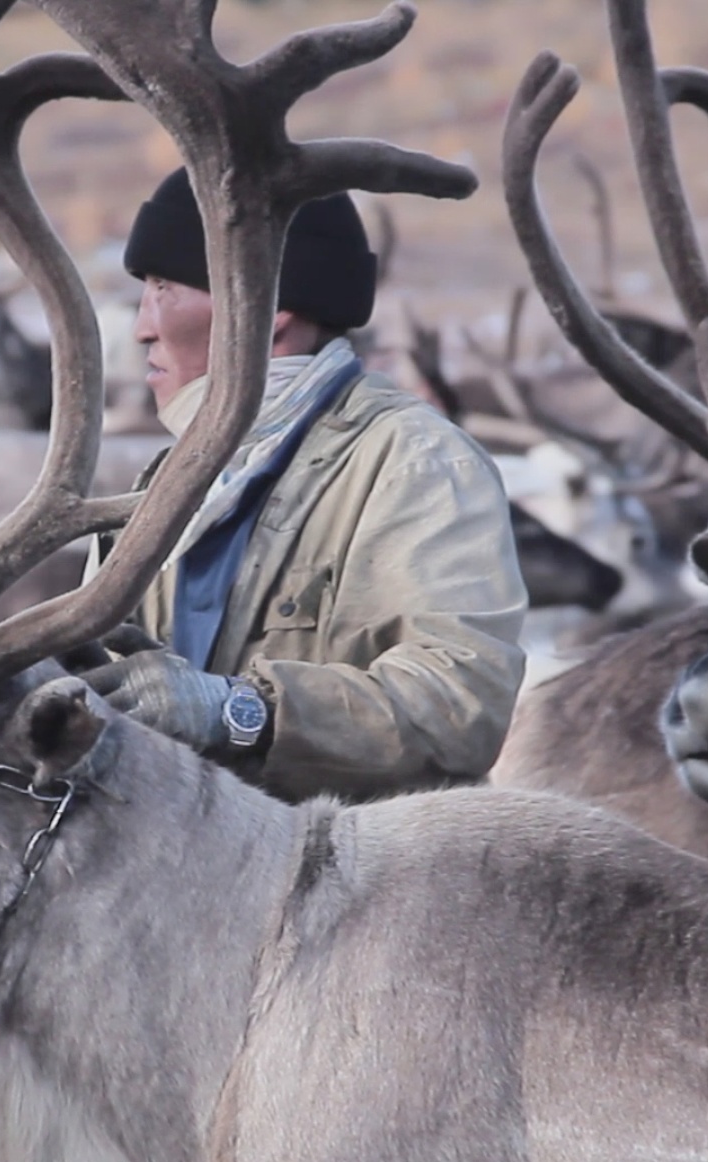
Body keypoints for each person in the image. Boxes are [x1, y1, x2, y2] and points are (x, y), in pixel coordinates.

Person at [83, 167, 527, 803]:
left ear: (262, 312)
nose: (142, 327)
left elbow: (457, 706)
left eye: (162, 288)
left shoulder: (415, 461)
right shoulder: (177, 477)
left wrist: (236, 712)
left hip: (353, 883)